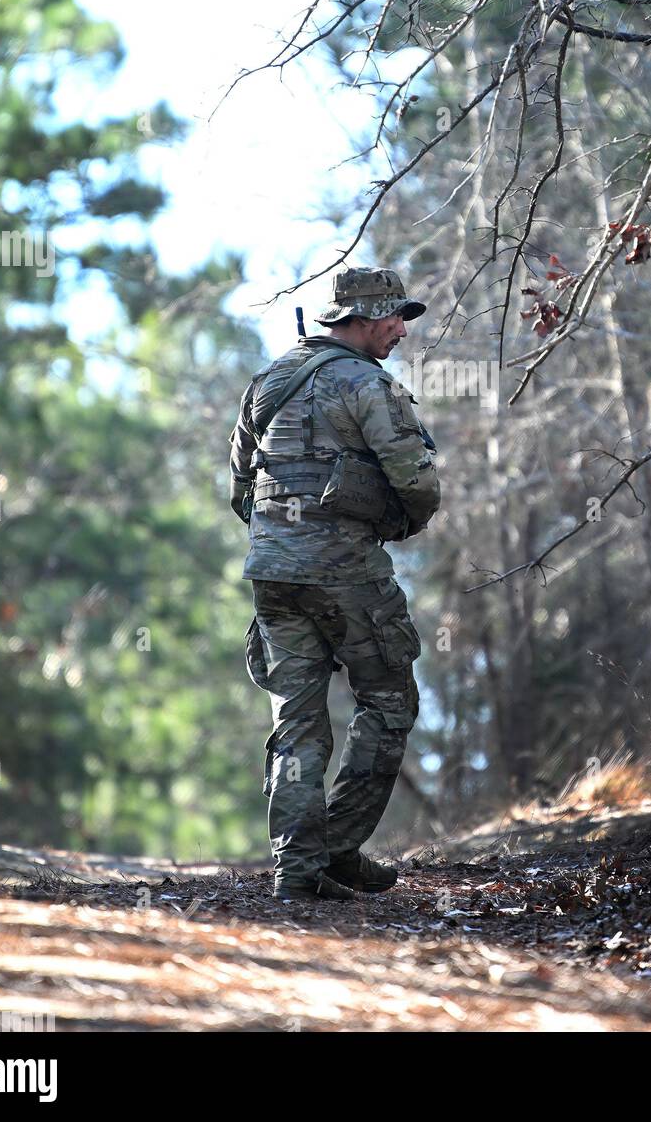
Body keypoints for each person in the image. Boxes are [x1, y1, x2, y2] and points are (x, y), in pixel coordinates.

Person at [228, 267, 441, 901]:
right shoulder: (366, 384)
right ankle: (338, 850)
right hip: (345, 569)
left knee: (296, 722)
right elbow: (418, 481)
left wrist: (282, 539)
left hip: (272, 574)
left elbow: (241, 488)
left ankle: (297, 871)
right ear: (368, 316)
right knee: (389, 701)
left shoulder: (268, 382)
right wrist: (399, 521)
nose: (402, 329)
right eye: (396, 317)